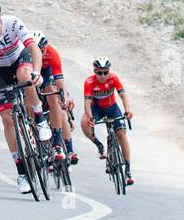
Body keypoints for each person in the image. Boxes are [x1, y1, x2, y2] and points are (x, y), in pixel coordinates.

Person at [0, 0, 51, 195]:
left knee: (25, 76)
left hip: (20, 59)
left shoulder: (13, 23)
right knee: (7, 119)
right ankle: (22, 172)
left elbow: (33, 48)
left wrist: (37, 72)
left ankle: (40, 120)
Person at [80, 57, 133, 186]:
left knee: (122, 135)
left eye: (105, 72)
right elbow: (87, 102)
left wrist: (127, 110)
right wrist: (90, 117)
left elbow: (123, 95)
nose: (102, 76)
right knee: (84, 122)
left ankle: (128, 169)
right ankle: (98, 144)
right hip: (96, 109)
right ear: (94, 72)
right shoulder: (89, 82)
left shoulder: (113, 78)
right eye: (99, 73)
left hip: (112, 108)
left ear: (108, 71)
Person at [29, 30, 74, 164]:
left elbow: (60, 81)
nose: (40, 54)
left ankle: (58, 143)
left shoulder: (51, 53)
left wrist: (64, 96)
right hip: (29, 70)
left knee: (53, 94)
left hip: (46, 73)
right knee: (29, 104)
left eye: (42, 50)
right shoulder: (24, 53)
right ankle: (39, 144)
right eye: (36, 51)